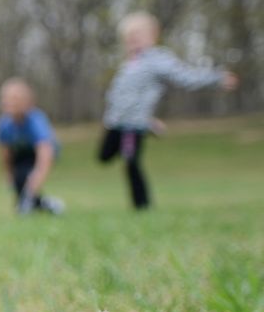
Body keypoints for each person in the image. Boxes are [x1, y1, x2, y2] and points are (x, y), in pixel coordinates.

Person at [99, 11, 238, 210]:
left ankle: (143, 206)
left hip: (132, 124)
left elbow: (186, 77)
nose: (133, 41)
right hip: (115, 122)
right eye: (129, 38)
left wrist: (217, 78)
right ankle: (147, 125)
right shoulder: (129, 63)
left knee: (131, 163)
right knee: (103, 157)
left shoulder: (157, 59)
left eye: (138, 36)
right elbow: (118, 95)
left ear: (153, 35)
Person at [0, 78, 64, 215]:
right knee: (19, 181)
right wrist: (8, 175)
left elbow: (45, 155)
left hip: (40, 153)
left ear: (26, 102)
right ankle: (48, 204)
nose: (8, 102)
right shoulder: (4, 124)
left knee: (27, 179)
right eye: (6, 98)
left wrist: (35, 183)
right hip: (20, 153)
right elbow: (5, 154)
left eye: (14, 99)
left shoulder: (36, 121)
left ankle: (29, 202)